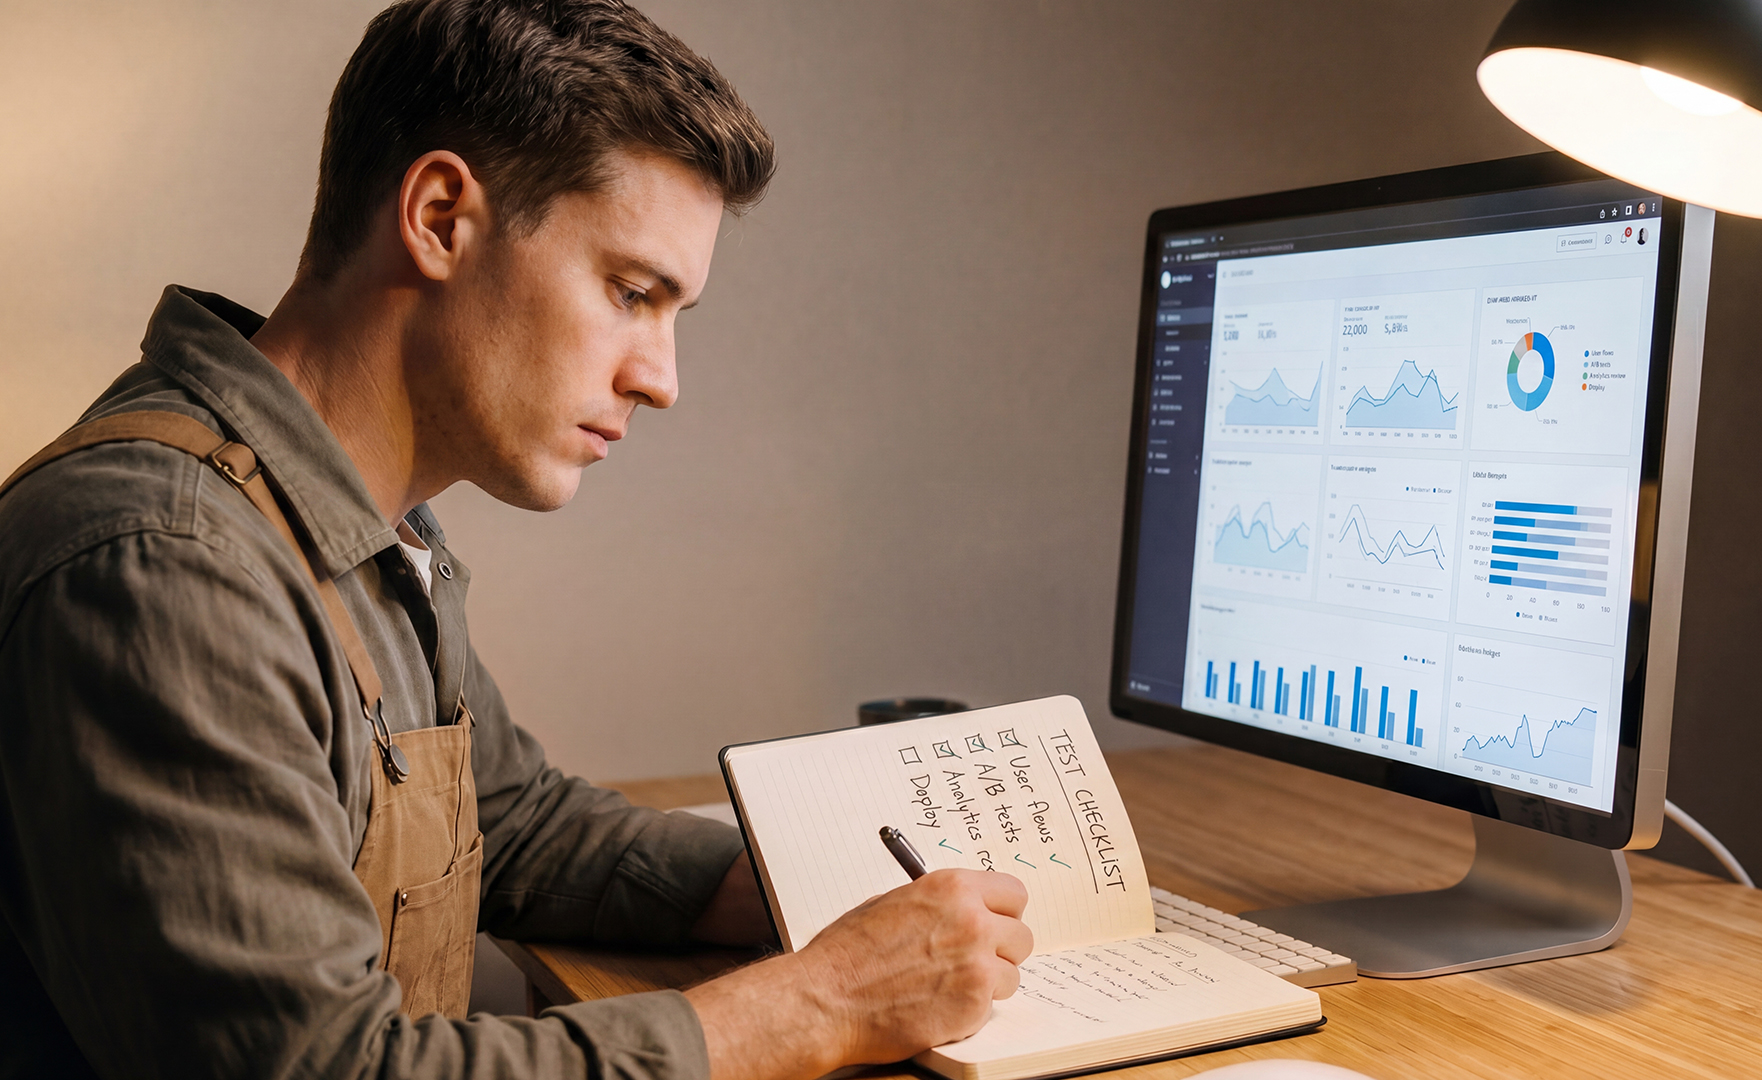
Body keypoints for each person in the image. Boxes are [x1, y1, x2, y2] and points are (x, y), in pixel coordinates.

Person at [0, 2, 1033, 1078]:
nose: (661, 379)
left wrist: (806, 887)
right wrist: (821, 1002)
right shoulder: (165, 567)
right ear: (441, 217)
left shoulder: (361, 525)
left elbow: (516, 825)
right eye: (632, 293)